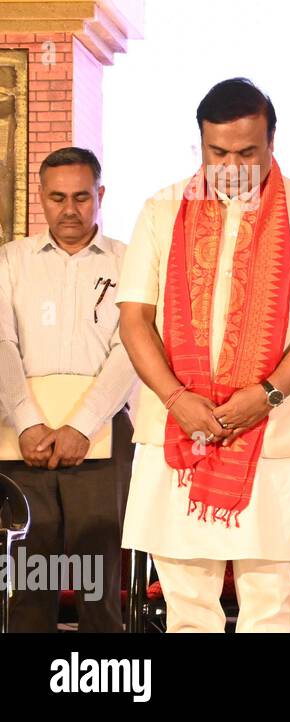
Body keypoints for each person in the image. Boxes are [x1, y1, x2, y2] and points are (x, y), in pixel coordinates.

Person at [117, 78, 290, 633]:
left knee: (270, 605)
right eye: (217, 152)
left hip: (275, 435)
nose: (231, 165)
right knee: (187, 608)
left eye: (247, 152)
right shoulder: (162, 207)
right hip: (176, 432)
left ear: (272, 143)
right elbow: (134, 320)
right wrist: (177, 398)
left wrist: (266, 394)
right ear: (200, 145)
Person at [0, 147, 137, 632]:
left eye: (82, 197)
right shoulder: (11, 260)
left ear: (100, 195)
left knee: (98, 584)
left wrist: (81, 425)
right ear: (41, 197)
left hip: (100, 436)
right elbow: (2, 342)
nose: (70, 209)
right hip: (22, 438)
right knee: (29, 581)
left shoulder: (130, 261)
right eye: (57, 198)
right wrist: (28, 421)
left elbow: (132, 351)